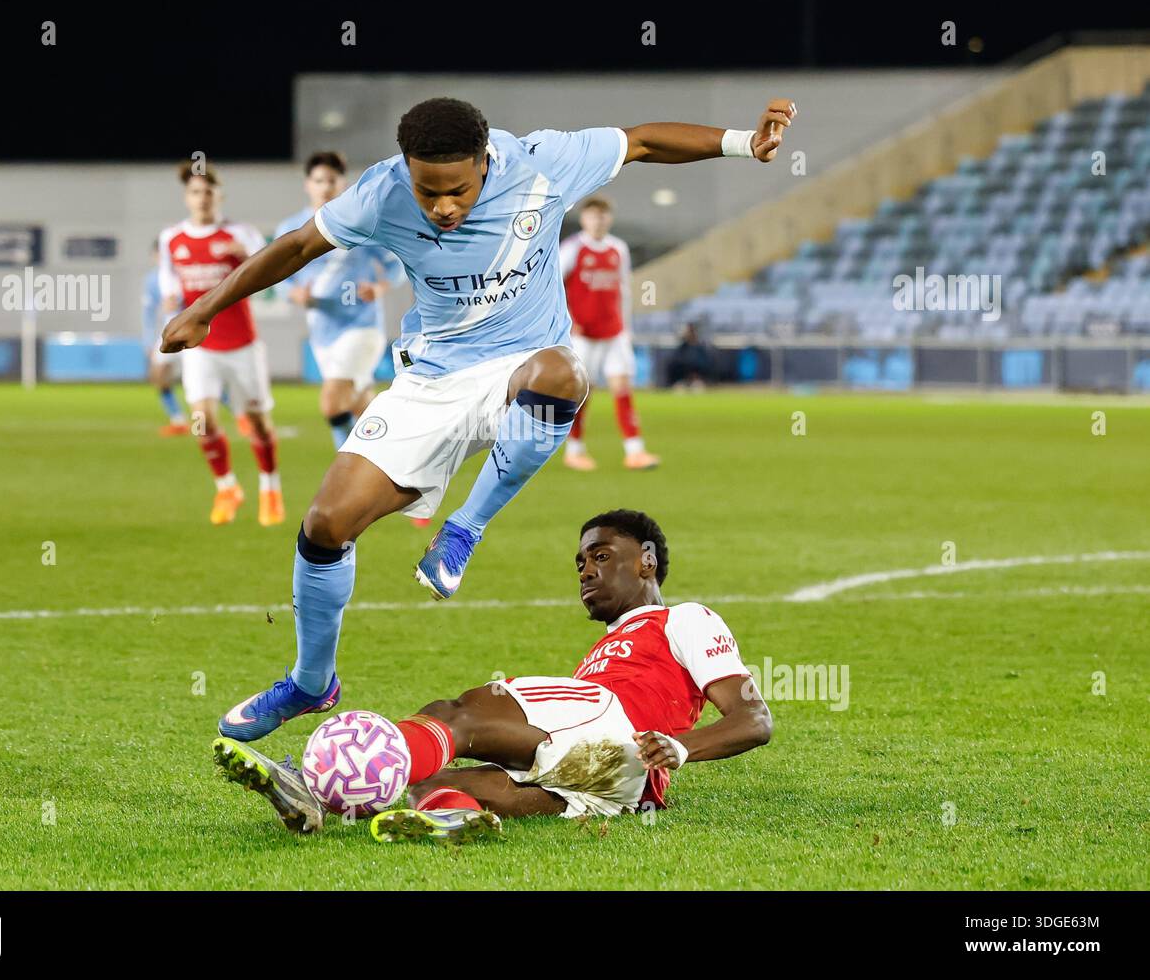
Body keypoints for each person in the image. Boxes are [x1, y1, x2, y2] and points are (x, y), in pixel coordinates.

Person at [162, 96, 797, 740]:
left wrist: (745, 141)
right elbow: (298, 245)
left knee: (564, 373)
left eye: (457, 190)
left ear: (487, 159)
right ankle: (309, 681)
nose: (441, 206)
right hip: (432, 379)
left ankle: (464, 529)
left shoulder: (543, 162)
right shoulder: (381, 192)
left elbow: (641, 142)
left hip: (523, 362)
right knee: (326, 525)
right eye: (427, 191)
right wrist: (206, 307)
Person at [211, 509, 772, 843]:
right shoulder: (606, 649)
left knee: (459, 714)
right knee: (430, 786)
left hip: (614, 724)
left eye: (601, 555)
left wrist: (680, 746)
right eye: (580, 563)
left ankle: (311, 786)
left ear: (647, 560)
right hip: (625, 790)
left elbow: (753, 720)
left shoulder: (684, 618)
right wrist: (668, 750)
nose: (586, 570)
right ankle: (448, 814)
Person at [158, 160, 283, 527]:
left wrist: (244, 257)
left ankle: (270, 488)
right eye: (196, 191)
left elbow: (270, 273)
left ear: (219, 195)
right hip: (202, 348)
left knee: (259, 422)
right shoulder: (172, 239)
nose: (202, 198)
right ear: (187, 197)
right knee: (202, 420)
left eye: (209, 191)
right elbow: (169, 282)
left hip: (243, 344)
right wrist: (169, 301)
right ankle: (227, 487)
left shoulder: (241, 233)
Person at [275, 151, 404, 450]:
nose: (325, 187)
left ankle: (349, 463)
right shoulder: (291, 228)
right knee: (360, 404)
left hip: (361, 325)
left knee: (331, 403)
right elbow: (280, 276)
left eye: (331, 180)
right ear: (308, 184)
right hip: (322, 329)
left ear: (342, 183)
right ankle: (385, 457)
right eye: (319, 180)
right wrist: (294, 294)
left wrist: (380, 287)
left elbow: (396, 263)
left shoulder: (358, 222)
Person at [559, 197, 659, 470]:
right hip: (583, 334)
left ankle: (635, 451)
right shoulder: (572, 249)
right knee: (582, 393)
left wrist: (626, 327)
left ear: (609, 218)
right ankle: (575, 450)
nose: (598, 220)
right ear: (584, 219)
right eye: (593, 216)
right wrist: (566, 322)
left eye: (602, 216)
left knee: (622, 388)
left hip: (614, 331)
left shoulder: (618, 248)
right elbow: (552, 286)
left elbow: (624, 289)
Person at [142, 240, 188, 435]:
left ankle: (242, 417)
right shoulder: (152, 280)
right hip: (169, 332)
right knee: (158, 375)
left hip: (192, 331)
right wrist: (149, 341)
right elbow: (148, 313)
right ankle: (178, 420)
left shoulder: (186, 275)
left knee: (202, 381)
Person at [666, 322, 718, 389]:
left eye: (692, 331)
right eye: (689, 332)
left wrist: (697, 375)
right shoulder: (681, 349)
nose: (690, 334)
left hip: (699, 380)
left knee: (697, 388)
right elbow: (674, 365)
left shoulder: (701, 349)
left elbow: (708, 365)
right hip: (682, 380)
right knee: (680, 390)